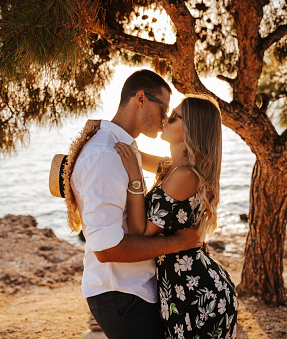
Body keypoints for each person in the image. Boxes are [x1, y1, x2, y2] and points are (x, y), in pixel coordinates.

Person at [70, 70, 207, 339]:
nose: (166, 117)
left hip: (136, 290)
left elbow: (177, 167)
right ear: (141, 99)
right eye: (164, 108)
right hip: (120, 295)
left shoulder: (122, 148)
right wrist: (182, 242)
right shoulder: (104, 157)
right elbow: (106, 249)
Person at [114, 95, 238, 338]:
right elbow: (134, 154)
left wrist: (135, 180)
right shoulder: (175, 169)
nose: (164, 120)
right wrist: (105, 129)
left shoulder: (184, 175)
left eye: (173, 117)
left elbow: (141, 233)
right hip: (184, 287)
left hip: (196, 293)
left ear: (191, 129)